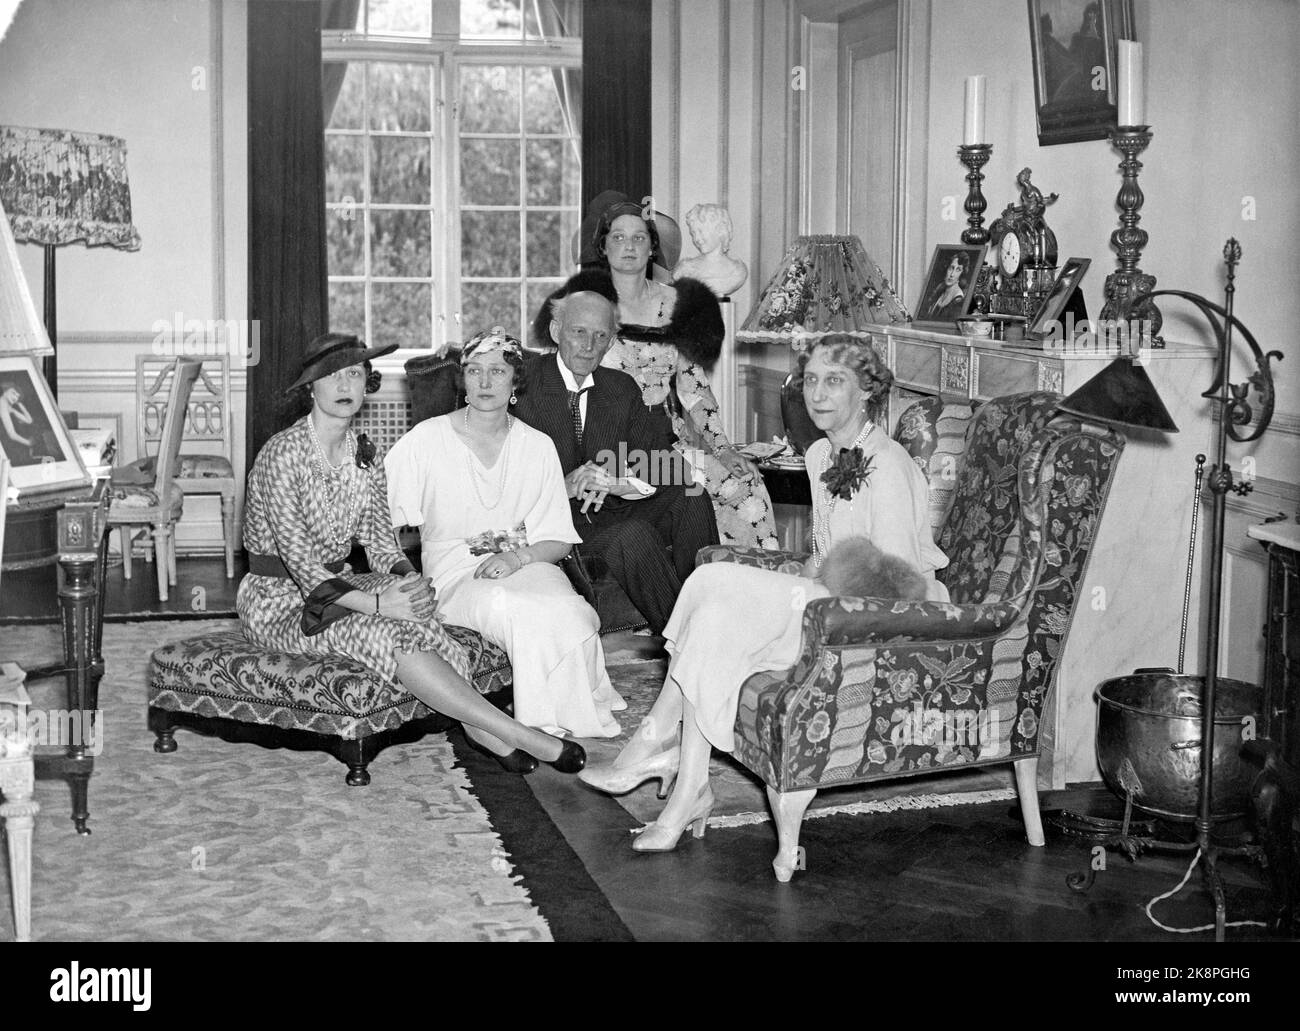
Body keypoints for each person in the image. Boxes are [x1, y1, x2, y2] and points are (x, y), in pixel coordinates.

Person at [578, 335, 949, 872]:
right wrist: (805, 575)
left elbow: (891, 584)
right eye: (812, 380)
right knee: (710, 586)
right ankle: (687, 787)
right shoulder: (822, 453)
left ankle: (658, 755)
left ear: (867, 392)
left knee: (716, 592)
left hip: (878, 617)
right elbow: (823, 553)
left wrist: (810, 580)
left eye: (836, 381)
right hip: (827, 596)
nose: (818, 394)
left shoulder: (886, 464)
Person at [239, 332, 585, 776]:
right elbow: (305, 570)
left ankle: (477, 728)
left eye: (355, 374)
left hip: (339, 583)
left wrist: (409, 580)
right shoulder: (281, 455)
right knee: (390, 630)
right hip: (279, 601)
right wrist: (382, 603)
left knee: (424, 612)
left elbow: (381, 542)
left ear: (367, 384)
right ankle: (516, 733)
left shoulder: (362, 452)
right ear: (311, 388)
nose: (345, 386)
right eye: (332, 376)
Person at [385, 327, 625, 741]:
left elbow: (557, 540)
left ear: (516, 381)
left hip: (526, 560)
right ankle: (535, 728)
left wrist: (516, 558)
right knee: (514, 607)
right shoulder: (427, 439)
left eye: (497, 371)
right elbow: (377, 519)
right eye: (474, 370)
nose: (484, 382)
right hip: (457, 573)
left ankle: (577, 715)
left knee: (571, 611)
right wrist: (403, 575)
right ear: (462, 379)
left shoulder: (537, 445)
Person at [513, 271, 719, 635]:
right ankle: (690, 642)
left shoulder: (620, 388)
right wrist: (565, 486)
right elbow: (499, 483)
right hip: (560, 525)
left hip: (616, 505)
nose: (589, 345)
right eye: (579, 332)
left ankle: (710, 615)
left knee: (690, 493)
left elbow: (661, 463)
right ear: (556, 330)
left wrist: (619, 482)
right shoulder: (523, 385)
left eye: (601, 336)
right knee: (633, 534)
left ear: (611, 344)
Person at [588, 197, 779, 550]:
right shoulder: (588, 307)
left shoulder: (676, 304)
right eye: (618, 237)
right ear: (603, 247)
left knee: (745, 485)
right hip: (613, 451)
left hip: (669, 445)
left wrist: (723, 450)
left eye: (639, 238)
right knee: (683, 488)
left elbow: (693, 387)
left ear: (652, 249)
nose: (628, 246)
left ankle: (748, 589)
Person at [672, 203, 748, 298]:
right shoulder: (684, 269)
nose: (697, 238)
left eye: (701, 231)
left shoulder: (737, 271)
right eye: (693, 233)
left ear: (720, 230)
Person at [921, 252, 971, 323]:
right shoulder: (940, 291)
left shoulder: (958, 300)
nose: (952, 274)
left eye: (958, 270)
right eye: (951, 268)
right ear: (946, 269)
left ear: (961, 274)